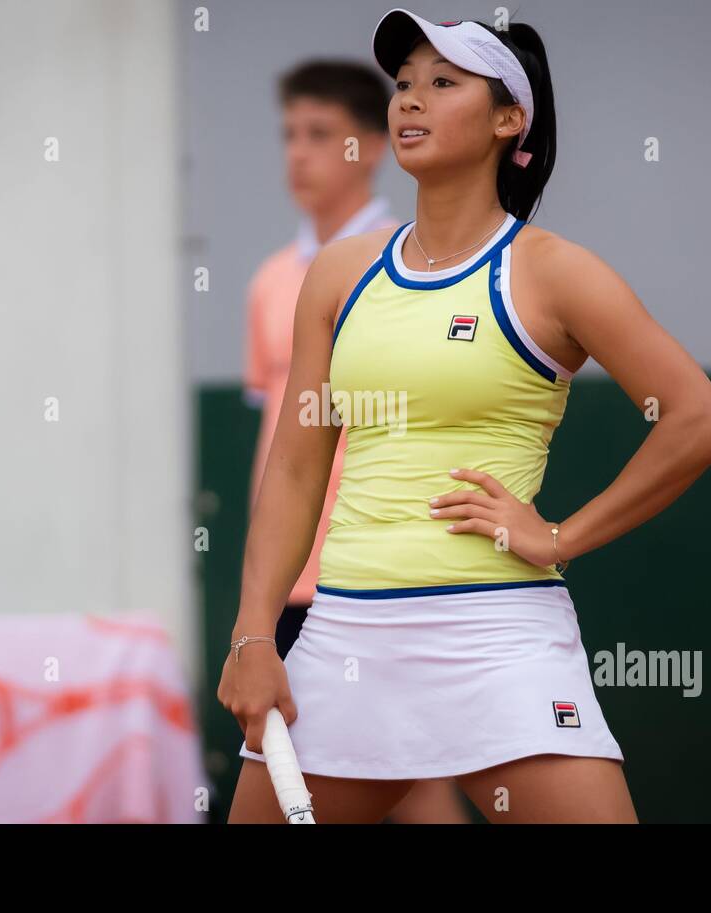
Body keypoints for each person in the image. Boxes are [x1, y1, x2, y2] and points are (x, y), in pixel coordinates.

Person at [221, 9, 711, 824]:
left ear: (509, 120)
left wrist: (559, 535)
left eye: (442, 83)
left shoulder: (557, 272)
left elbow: (698, 419)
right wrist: (254, 635)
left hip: (500, 639)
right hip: (345, 638)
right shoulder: (339, 273)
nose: (410, 101)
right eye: (403, 85)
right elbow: (293, 467)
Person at [240, 58, 471, 824]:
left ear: (370, 146)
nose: (297, 154)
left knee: (415, 778)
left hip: (373, 567)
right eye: (286, 136)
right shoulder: (272, 279)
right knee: (300, 775)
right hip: (289, 583)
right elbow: (278, 438)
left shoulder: (407, 267)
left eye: (319, 135)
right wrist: (260, 582)